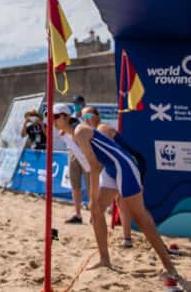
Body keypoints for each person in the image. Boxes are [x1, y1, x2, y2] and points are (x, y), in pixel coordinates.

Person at [51, 104, 181, 287]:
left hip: (124, 167)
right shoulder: (73, 134)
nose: (53, 122)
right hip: (112, 169)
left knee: (141, 218)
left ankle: (170, 267)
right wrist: (94, 201)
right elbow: (95, 166)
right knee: (96, 213)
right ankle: (105, 259)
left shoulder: (80, 131)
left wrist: (93, 198)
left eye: (55, 118)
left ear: (65, 117)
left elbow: (94, 167)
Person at [81, 106, 133, 248]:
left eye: (88, 116)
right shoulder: (95, 131)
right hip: (118, 167)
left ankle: (119, 238)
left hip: (121, 167)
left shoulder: (102, 128)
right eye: (83, 117)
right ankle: (125, 238)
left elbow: (108, 153)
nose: (86, 120)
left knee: (107, 206)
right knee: (117, 204)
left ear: (97, 116)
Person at [65, 96, 87, 224]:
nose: (76, 105)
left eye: (78, 103)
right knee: (75, 185)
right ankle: (77, 214)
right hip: (73, 152)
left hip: (86, 151)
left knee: (91, 185)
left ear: (83, 104)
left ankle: (94, 213)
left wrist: (84, 116)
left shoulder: (87, 116)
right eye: (75, 103)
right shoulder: (70, 118)